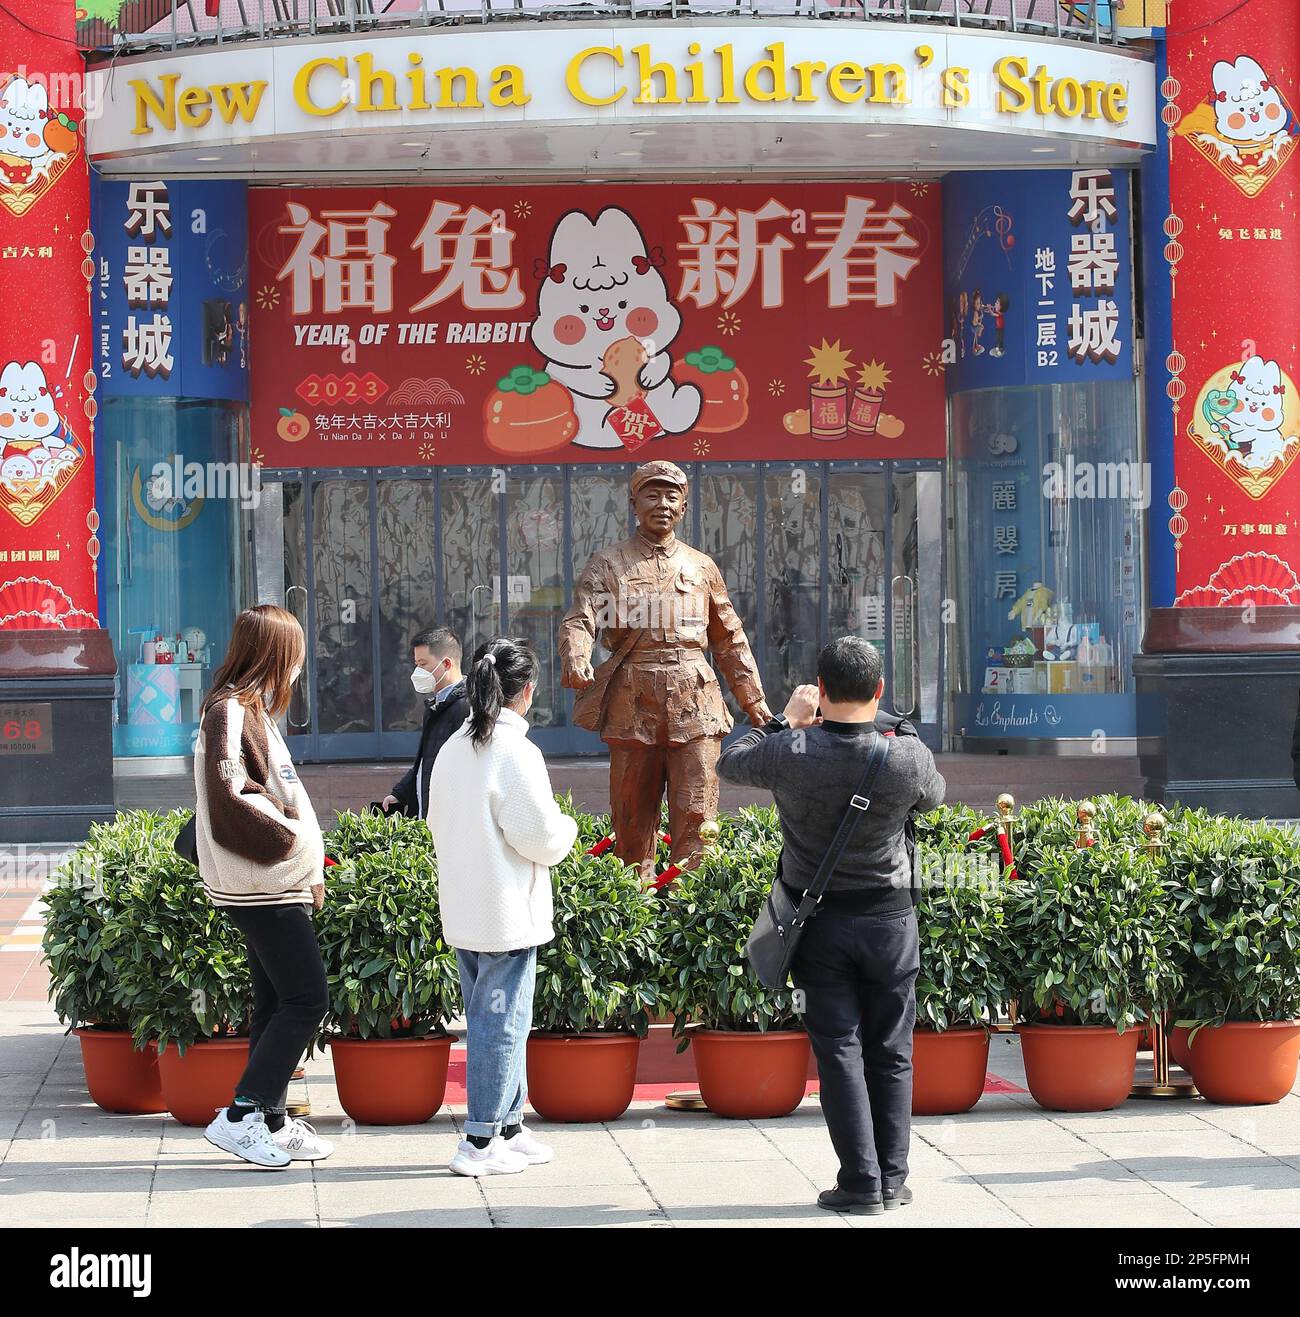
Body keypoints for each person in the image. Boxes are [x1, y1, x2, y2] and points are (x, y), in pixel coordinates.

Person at [718, 636, 945, 1216]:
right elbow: (933, 800)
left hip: (817, 921)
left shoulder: (790, 750)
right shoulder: (905, 755)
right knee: (892, 1050)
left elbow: (727, 762)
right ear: (879, 691)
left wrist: (780, 720)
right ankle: (893, 1179)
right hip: (891, 920)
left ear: (819, 691)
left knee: (840, 1051)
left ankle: (861, 1182)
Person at [558, 459, 772, 880]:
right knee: (632, 818)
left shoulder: (701, 567)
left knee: (697, 814)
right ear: (633, 503)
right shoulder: (609, 564)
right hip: (632, 701)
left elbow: (728, 636)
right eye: (651, 495)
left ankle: (689, 912)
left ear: (684, 507)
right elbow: (581, 618)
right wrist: (576, 657)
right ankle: (636, 915)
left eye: (672, 496)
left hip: (695, 698)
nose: (662, 504)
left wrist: (754, 699)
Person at [427, 637, 579, 1177]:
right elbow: (539, 835)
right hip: (507, 909)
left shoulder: (454, 746)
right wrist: (569, 830)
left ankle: (508, 1129)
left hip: (466, 905)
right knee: (502, 1024)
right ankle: (479, 1140)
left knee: (498, 1018)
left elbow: (434, 820)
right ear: (528, 692)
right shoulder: (516, 751)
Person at [195, 604, 334, 1169]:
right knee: (308, 999)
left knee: (276, 1000)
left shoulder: (251, 711)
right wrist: (290, 837)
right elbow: (230, 794)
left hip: (273, 885)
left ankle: (270, 1118)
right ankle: (241, 1114)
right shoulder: (229, 710)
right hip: (262, 885)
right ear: (277, 653)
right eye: (294, 652)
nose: (299, 664)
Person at [382, 627, 469, 819]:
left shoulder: (466, 708)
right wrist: (400, 794)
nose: (417, 672)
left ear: (446, 664)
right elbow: (427, 761)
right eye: (416, 664)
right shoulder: (436, 705)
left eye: (423, 664)